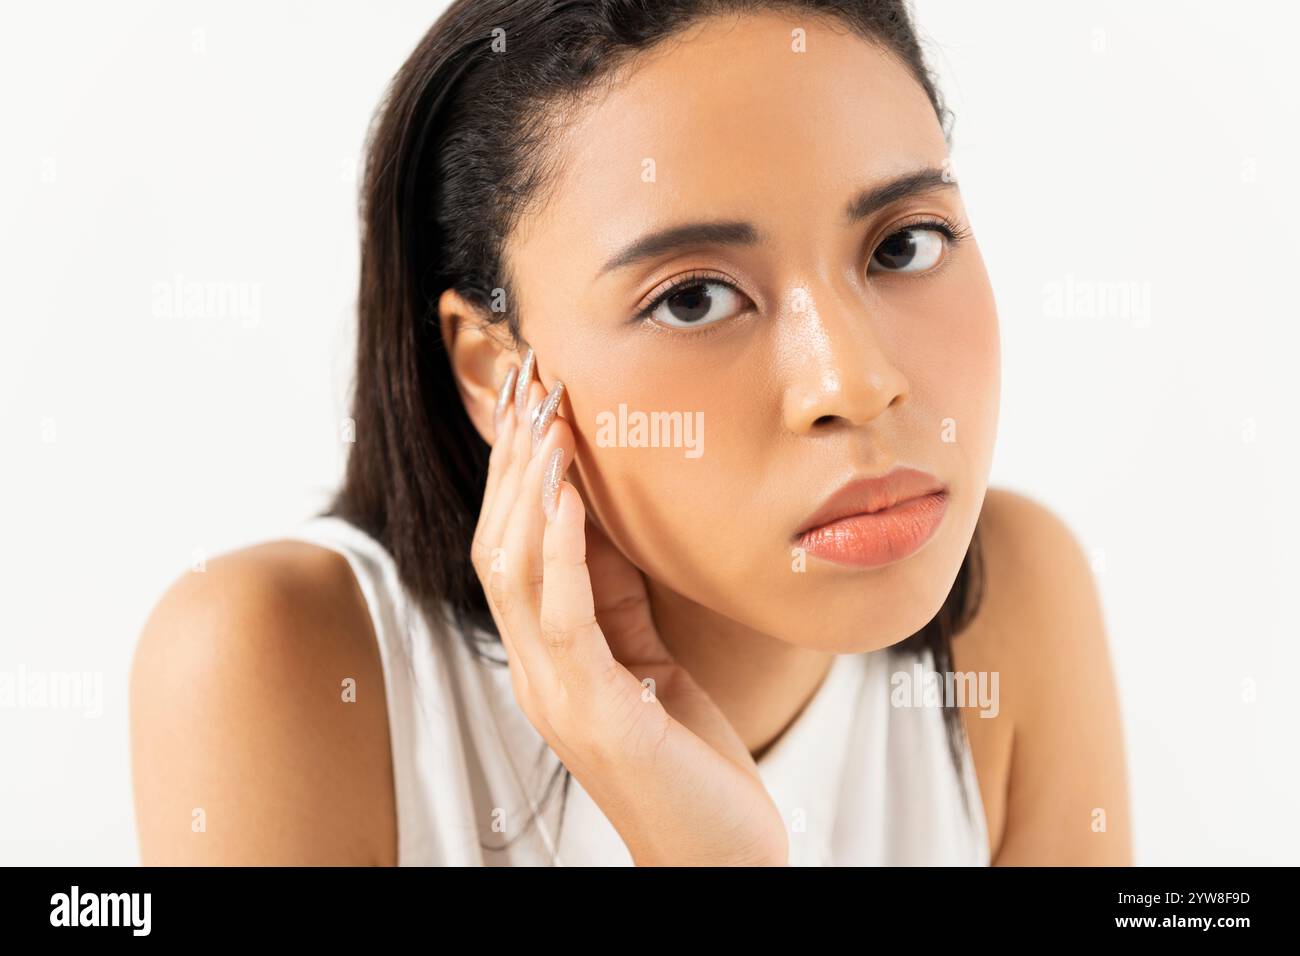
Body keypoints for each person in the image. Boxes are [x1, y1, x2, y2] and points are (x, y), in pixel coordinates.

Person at [130, 0, 1131, 866]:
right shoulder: (274, 663)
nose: (856, 383)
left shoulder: (1015, 604)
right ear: (494, 369)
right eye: (693, 298)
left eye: (903, 244)